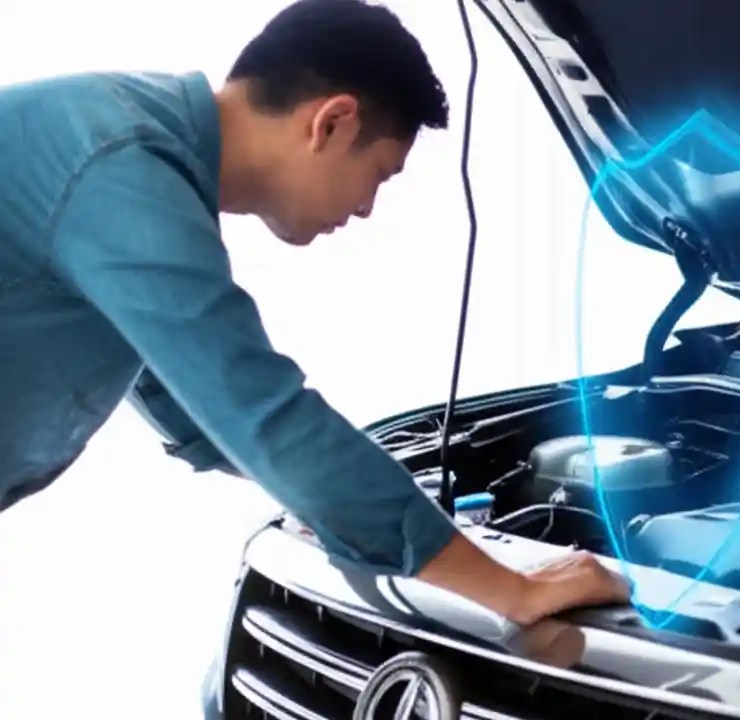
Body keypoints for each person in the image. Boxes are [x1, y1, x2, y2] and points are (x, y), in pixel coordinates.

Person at [0, 0, 629, 629]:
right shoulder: (120, 168)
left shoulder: (124, 139)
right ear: (331, 123)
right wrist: (512, 589)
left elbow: (190, 399)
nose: (366, 209)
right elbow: (255, 406)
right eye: (379, 174)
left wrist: (322, 497)